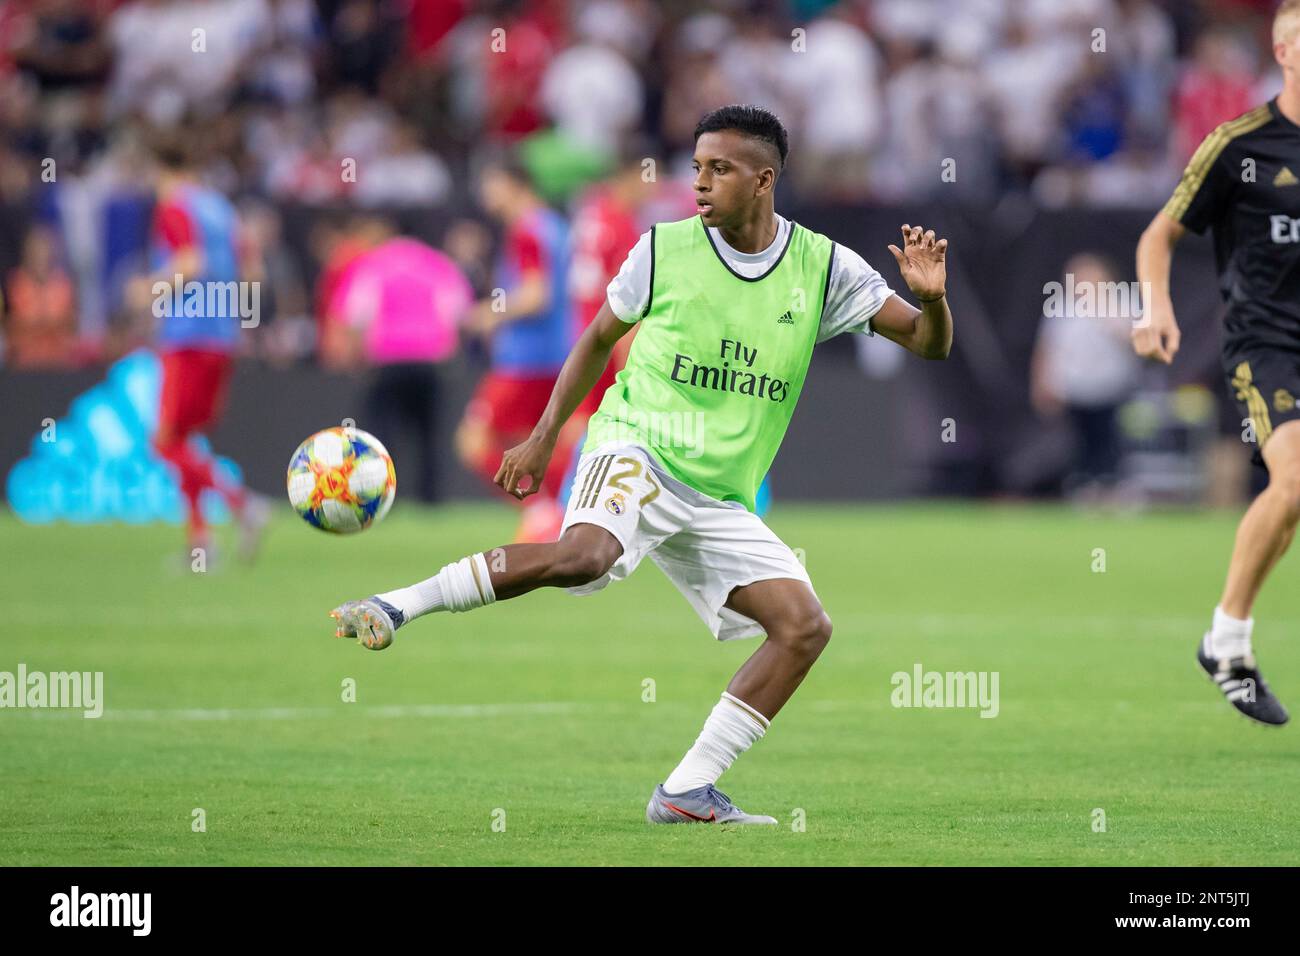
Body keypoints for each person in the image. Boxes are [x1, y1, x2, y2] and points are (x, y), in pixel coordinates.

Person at [331, 105, 953, 824]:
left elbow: (928, 343)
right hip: (638, 444)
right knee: (585, 556)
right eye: (696, 168)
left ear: (763, 179)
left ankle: (686, 792)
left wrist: (932, 302)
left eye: (719, 169)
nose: (700, 182)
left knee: (805, 626)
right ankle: (398, 605)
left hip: (719, 493)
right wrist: (543, 435)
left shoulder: (822, 266)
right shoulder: (662, 250)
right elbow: (598, 338)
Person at [1133, 0, 1300, 726]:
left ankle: (1226, 643)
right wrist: (1156, 306)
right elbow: (1157, 237)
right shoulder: (1239, 144)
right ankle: (1226, 640)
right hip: (1267, 345)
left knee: (1292, 499)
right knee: (1295, 478)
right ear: (1285, 51)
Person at [146, 136, 268, 562]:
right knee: (186, 440)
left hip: (188, 334)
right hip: (221, 336)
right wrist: (242, 319)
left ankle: (241, 504)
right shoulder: (223, 209)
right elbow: (254, 269)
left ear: (160, 170)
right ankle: (201, 544)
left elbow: (189, 262)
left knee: (163, 442)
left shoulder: (176, 204)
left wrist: (151, 291)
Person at [454, 153, 574, 542]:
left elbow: (537, 295)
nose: (486, 193)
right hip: (560, 354)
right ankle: (560, 510)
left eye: (492, 183)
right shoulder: (556, 227)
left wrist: (489, 313)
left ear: (513, 184)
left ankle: (542, 509)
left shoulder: (527, 230)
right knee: (547, 445)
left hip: (525, 361)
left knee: (472, 441)